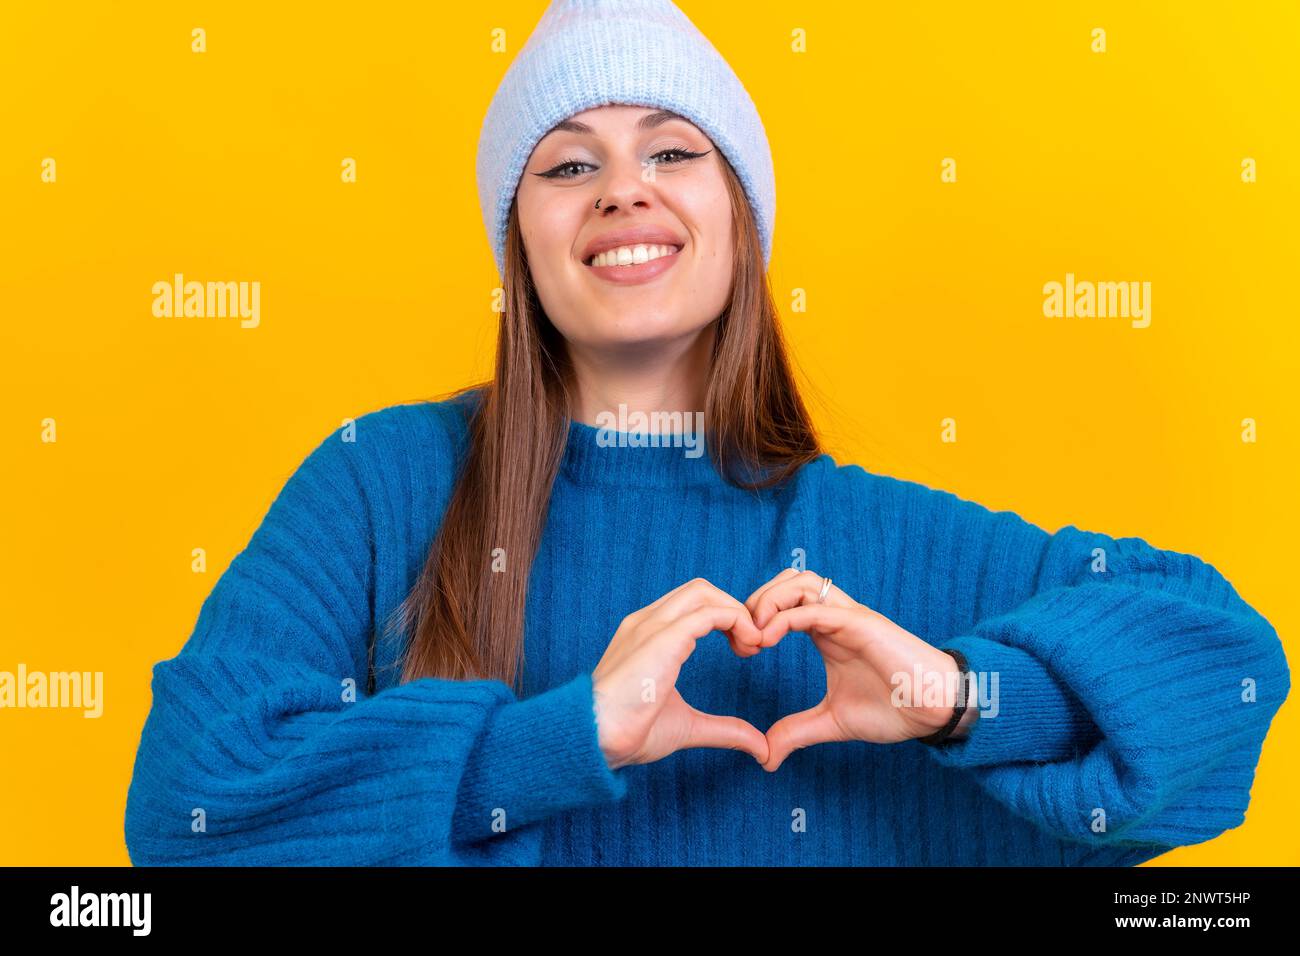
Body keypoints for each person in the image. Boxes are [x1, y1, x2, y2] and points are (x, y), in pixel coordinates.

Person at [124, 0, 1290, 866]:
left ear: (739, 217)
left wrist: (960, 699)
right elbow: (186, 806)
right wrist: (552, 739)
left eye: (672, 150)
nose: (622, 189)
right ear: (519, 243)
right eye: (568, 162)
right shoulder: (382, 487)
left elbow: (1226, 668)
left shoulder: (865, 538)